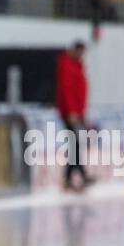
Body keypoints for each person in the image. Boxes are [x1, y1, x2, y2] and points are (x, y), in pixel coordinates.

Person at [55, 40, 92, 190]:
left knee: (75, 144)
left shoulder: (77, 66)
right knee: (74, 143)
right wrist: (72, 111)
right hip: (70, 113)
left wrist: (81, 112)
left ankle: (71, 178)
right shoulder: (68, 66)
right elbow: (67, 91)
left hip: (76, 112)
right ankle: (78, 176)